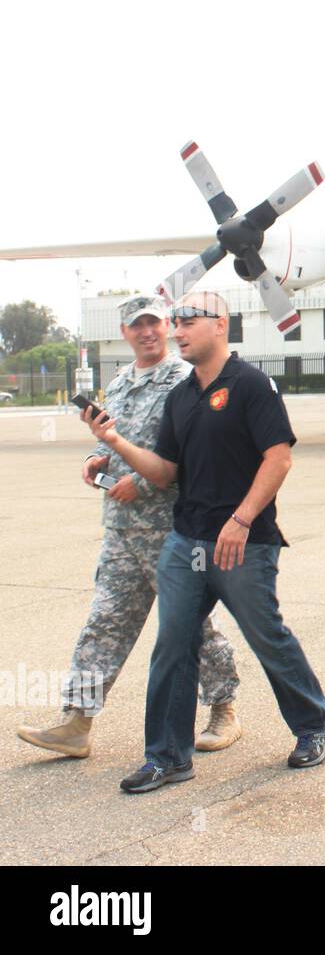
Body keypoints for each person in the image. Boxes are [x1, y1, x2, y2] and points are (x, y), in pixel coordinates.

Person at [87, 291, 325, 793]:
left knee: (267, 635)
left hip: (243, 541)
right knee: (173, 643)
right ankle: (167, 756)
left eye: (187, 322)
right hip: (187, 542)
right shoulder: (182, 396)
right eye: (175, 322)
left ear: (220, 324)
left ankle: (314, 725)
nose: (177, 331)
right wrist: (114, 442)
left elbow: (278, 458)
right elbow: (165, 471)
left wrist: (242, 520)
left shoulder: (250, 385)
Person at [18, 295, 242, 759]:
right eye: (137, 325)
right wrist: (96, 460)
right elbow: (115, 439)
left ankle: (223, 709)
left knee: (194, 626)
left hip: (171, 529)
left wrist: (139, 482)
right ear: (124, 332)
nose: (148, 333)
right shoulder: (119, 382)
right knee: (105, 622)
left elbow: (194, 452)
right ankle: (76, 723)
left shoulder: (186, 379)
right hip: (121, 531)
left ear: (168, 326)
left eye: (155, 324)